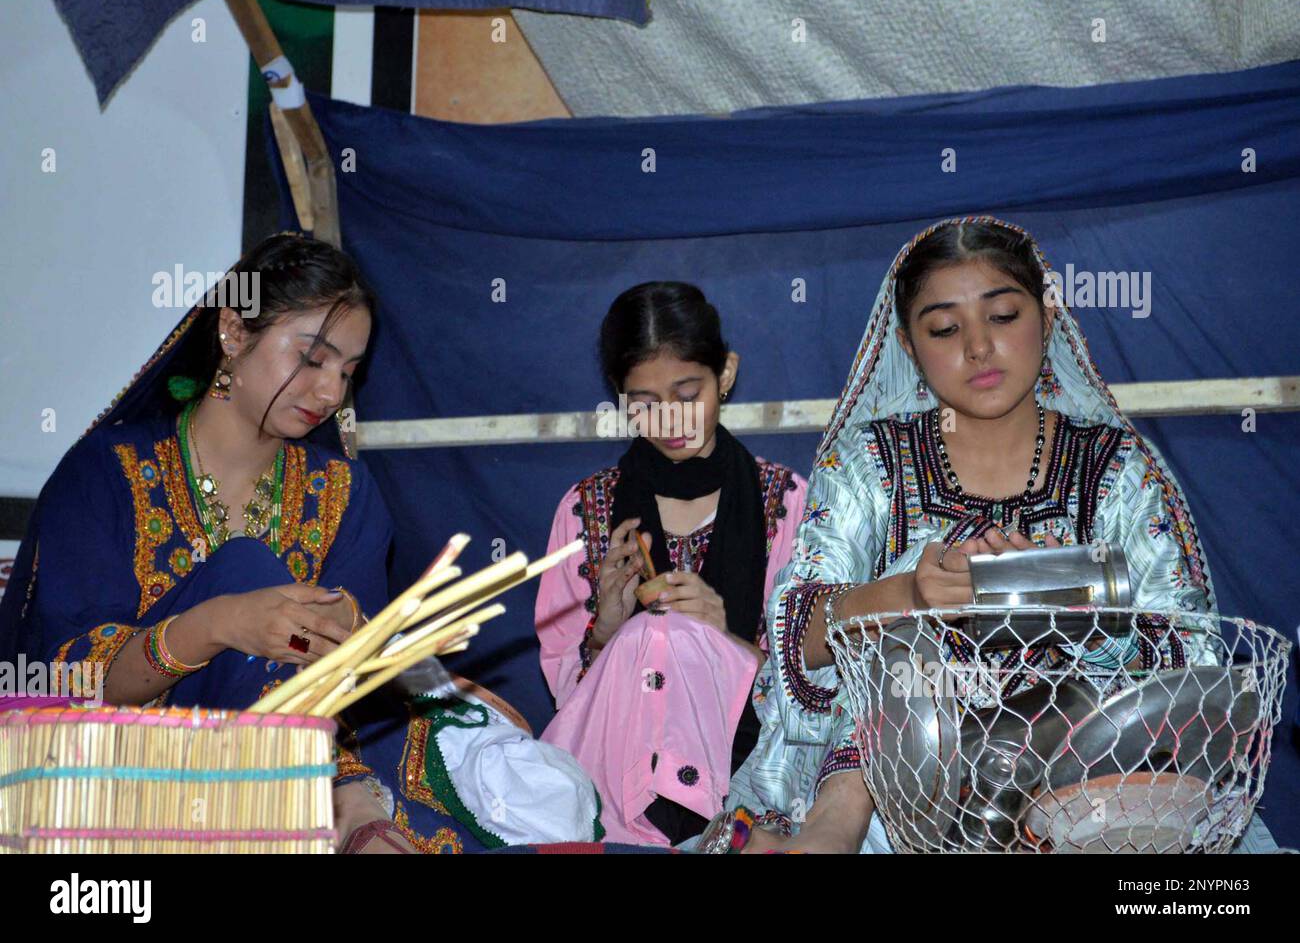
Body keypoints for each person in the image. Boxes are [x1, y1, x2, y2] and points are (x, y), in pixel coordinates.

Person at [0, 233, 600, 853]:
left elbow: (348, 699)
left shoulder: (343, 493)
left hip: (298, 767)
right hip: (124, 771)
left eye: (348, 371)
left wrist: (359, 648)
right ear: (233, 332)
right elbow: (68, 681)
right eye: (312, 358)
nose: (330, 393)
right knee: (245, 571)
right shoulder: (108, 473)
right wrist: (217, 622)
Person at [716, 216, 1221, 853]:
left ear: (1047, 315)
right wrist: (909, 595)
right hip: (899, 778)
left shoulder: (1116, 469)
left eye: (1004, 316)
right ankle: (836, 814)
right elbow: (798, 641)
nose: (978, 347)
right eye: (946, 329)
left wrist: (1064, 609)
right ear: (907, 345)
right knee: (899, 617)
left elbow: (1193, 663)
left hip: (1075, 769)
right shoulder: (871, 461)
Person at [535, 282, 806, 845]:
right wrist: (606, 630)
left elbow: (815, 690)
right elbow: (570, 703)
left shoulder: (786, 504)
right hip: (613, 781)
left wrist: (724, 637)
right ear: (619, 397)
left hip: (754, 784)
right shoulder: (586, 511)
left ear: (725, 375)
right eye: (645, 404)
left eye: (688, 392)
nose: (669, 420)